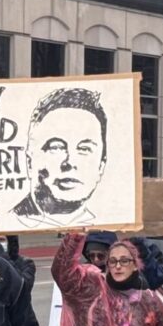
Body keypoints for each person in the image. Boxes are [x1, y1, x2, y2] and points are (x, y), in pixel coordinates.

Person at [9, 87, 108, 228]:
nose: (70, 162)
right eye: (56, 147)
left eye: (84, 149)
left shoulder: (104, 230)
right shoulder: (9, 222)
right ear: (29, 161)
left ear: (101, 165)